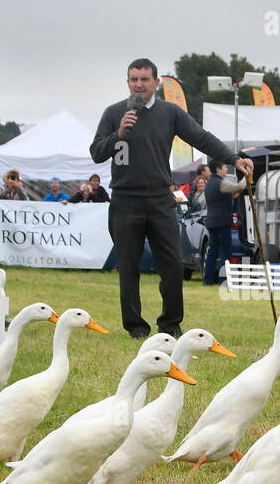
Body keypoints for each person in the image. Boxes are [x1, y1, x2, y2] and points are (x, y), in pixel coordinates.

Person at [90, 58, 250, 338]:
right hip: (125, 200)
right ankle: (135, 327)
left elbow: (201, 138)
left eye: (144, 79)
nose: (138, 84)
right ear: (128, 82)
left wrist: (233, 159)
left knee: (174, 264)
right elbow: (96, 152)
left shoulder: (170, 113)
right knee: (128, 266)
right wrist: (119, 134)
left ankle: (170, 324)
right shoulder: (115, 113)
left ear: (156, 83)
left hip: (160, 199)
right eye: (133, 79)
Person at [203, 162, 252, 285]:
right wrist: (247, 175)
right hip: (223, 222)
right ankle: (223, 280)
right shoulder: (222, 182)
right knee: (226, 252)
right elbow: (238, 187)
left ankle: (207, 280)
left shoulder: (209, 183)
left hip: (211, 221)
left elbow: (225, 195)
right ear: (218, 169)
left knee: (212, 253)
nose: (226, 169)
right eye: (225, 167)